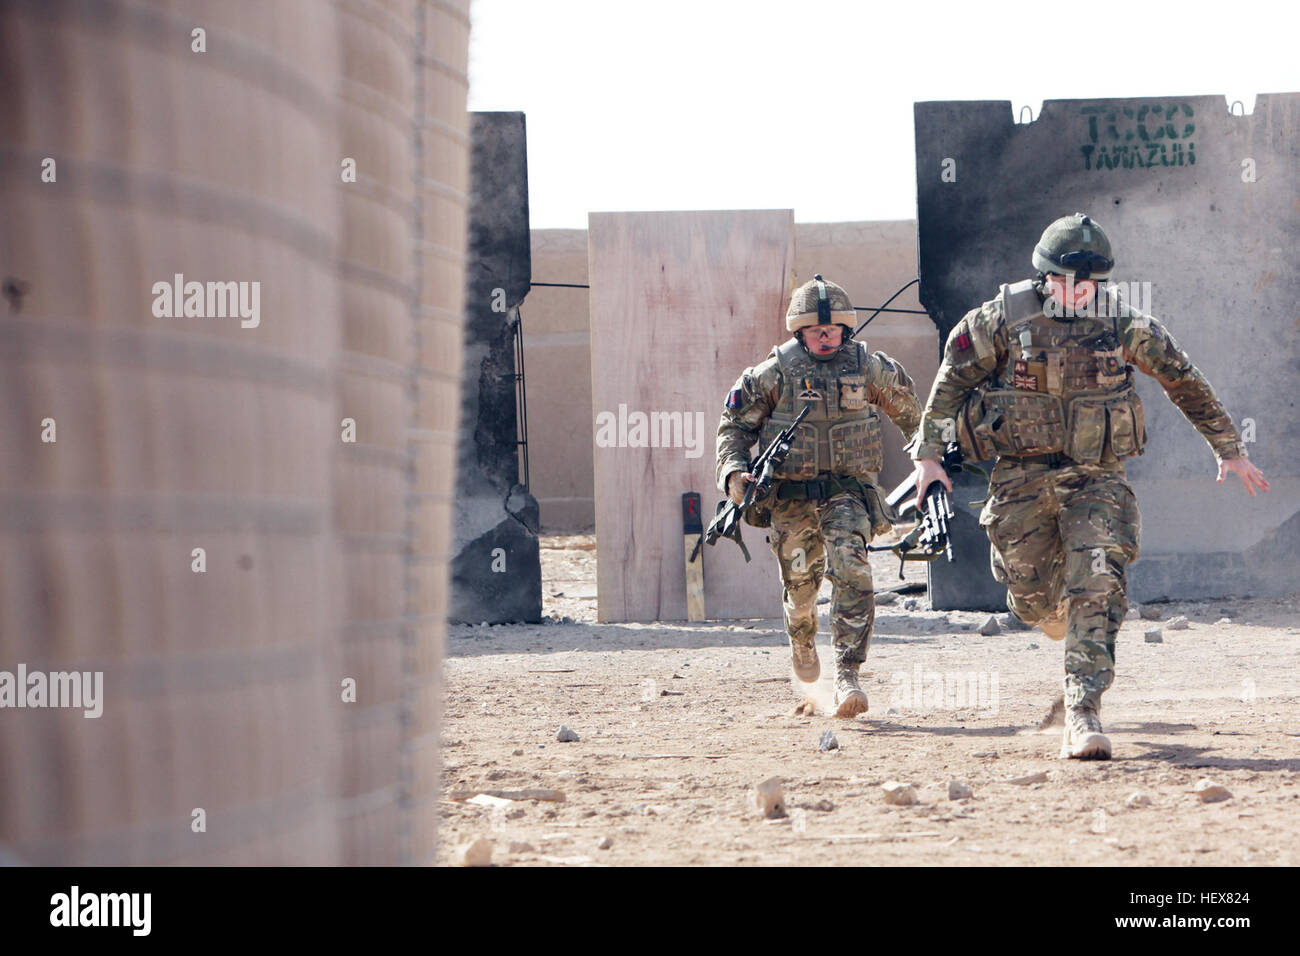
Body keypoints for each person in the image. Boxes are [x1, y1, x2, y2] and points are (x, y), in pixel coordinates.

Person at [910, 213, 1269, 759]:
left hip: (1095, 475)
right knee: (1030, 599)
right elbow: (952, 380)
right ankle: (1053, 616)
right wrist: (928, 456)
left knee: (1097, 579)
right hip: (1020, 476)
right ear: (1043, 274)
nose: (1076, 293)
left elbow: (1183, 379)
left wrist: (1229, 449)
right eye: (1065, 282)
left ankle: (1083, 710)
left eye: (1088, 284)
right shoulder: (999, 320)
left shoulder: (1123, 324)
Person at [716, 275, 921, 716]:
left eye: (832, 330)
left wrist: (929, 459)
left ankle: (848, 674)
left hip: (847, 492)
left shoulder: (868, 367)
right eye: (815, 330)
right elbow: (734, 428)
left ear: (846, 329)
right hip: (790, 497)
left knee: (854, 572)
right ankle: (802, 639)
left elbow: (912, 415)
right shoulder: (773, 373)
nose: (825, 337)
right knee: (802, 588)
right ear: (799, 332)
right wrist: (734, 473)